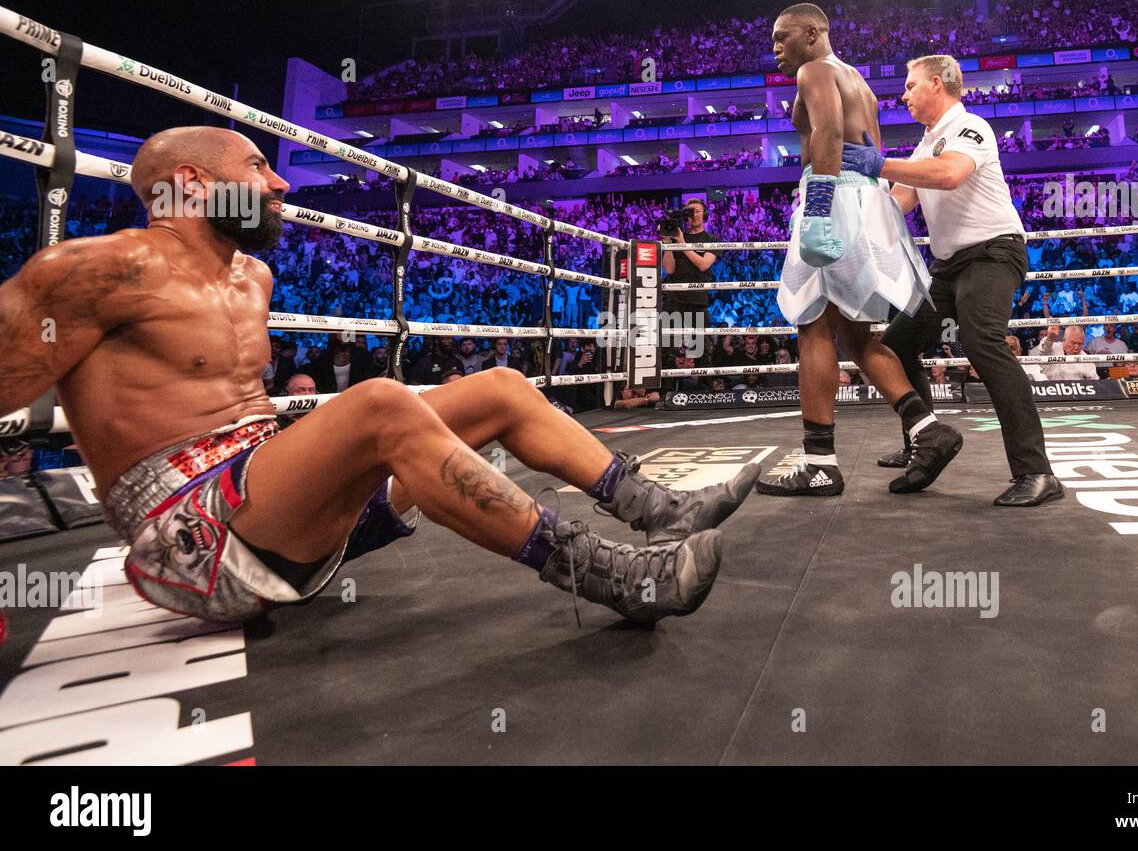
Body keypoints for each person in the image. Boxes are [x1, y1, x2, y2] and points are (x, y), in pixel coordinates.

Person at [0, 126, 759, 627]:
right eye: (259, 168)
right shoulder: (91, 273)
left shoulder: (252, 277)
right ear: (194, 183)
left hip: (281, 511)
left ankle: (658, 509)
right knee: (381, 405)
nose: (282, 185)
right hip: (193, 541)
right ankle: (620, 579)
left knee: (500, 385)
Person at [759, 4, 962, 499]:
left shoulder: (814, 70)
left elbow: (827, 134)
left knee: (811, 325)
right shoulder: (860, 82)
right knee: (856, 335)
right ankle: (926, 429)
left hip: (835, 196)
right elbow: (864, 145)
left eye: (782, 38)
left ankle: (820, 463)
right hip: (867, 199)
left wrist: (818, 210)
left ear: (812, 33)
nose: (776, 49)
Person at [853, 53, 1063, 506]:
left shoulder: (971, 128)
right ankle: (926, 441)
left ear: (935, 83)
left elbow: (948, 175)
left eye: (910, 86)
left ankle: (1036, 472)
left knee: (982, 341)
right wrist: (841, 203)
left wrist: (879, 163)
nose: (903, 94)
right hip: (948, 265)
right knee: (897, 343)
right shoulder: (925, 144)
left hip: (992, 251)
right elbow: (897, 201)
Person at [661, 199, 717, 370]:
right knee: (671, 351)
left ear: (705, 214)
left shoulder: (710, 239)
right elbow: (669, 269)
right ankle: (668, 393)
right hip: (674, 299)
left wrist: (682, 243)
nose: (693, 214)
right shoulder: (676, 236)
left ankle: (704, 393)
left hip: (697, 301)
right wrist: (669, 244)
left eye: (697, 211)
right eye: (689, 211)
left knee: (702, 351)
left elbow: (703, 264)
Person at [1029, 325, 1100, 380]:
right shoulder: (1054, 348)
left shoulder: (1085, 358)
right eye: (1073, 343)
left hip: (1076, 395)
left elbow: (1095, 382)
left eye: (1080, 344)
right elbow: (1044, 348)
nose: (1076, 347)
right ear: (1064, 339)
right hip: (1050, 391)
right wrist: (1050, 338)